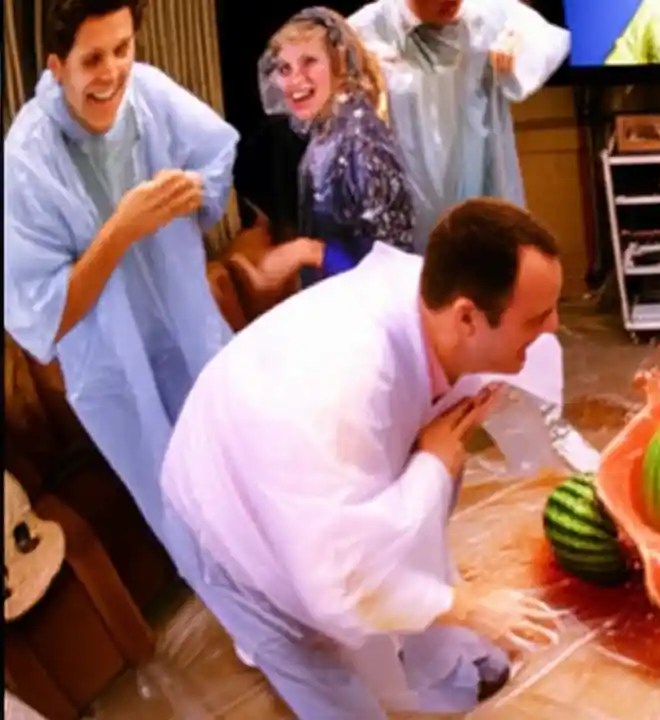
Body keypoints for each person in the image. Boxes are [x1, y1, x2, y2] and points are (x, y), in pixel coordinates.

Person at [162, 199, 587, 717]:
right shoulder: (344, 387)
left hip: (299, 465)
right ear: (469, 319)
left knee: (430, 481)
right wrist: (469, 607)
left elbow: (525, 400)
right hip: (222, 503)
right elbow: (339, 579)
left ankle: (433, 661)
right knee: (323, 670)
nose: (554, 327)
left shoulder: (436, 303)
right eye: (538, 318)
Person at [3, 0, 238, 542]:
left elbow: (216, 158)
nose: (112, 73)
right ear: (55, 65)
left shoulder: (150, 95)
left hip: (193, 337)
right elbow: (47, 317)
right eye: (92, 59)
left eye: (123, 49)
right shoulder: (25, 163)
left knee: (244, 472)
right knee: (189, 521)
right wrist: (121, 230)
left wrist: (192, 192)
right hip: (118, 382)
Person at [349, 0, 570, 252]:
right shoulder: (373, 27)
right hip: (410, 189)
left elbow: (543, 38)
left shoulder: (485, 15)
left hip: (480, 169)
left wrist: (517, 42)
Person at [238, 7, 417, 294]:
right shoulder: (329, 133)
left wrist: (309, 252)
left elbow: (388, 265)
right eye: (285, 68)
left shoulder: (362, 141)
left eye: (309, 62)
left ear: (340, 64)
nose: (295, 80)